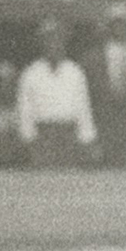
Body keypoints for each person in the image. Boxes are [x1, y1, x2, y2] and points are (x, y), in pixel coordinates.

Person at [15, 21, 99, 167]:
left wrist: (87, 139)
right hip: (43, 137)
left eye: (57, 39)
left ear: (64, 42)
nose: (53, 44)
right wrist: (28, 139)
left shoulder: (75, 72)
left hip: (68, 136)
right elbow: (24, 110)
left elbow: (83, 108)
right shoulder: (31, 73)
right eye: (48, 39)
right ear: (42, 43)